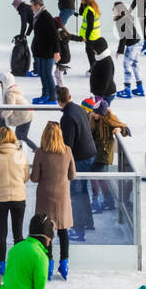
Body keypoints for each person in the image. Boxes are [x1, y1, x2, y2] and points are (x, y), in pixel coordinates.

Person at [30, 121, 76, 280]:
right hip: (62, 196)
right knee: (63, 230)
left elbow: (34, 178)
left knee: (45, 232)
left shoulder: (40, 152)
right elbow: (72, 175)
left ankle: (48, 263)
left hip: (44, 196)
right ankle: (64, 262)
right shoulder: (67, 151)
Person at [0, 126, 30, 272]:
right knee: (18, 233)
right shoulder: (20, 155)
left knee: (1, 232)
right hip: (18, 197)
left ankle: (1, 264)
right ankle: (18, 263)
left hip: (0, 198)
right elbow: (26, 177)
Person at [56, 85, 96, 241]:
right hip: (89, 153)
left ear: (59, 101)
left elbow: (68, 145)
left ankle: (79, 230)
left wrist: (63, 166)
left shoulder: (67, 117)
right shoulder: (78, 108)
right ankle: (87, 222)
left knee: (76, 193)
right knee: (83, 191)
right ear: (70, 96)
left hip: (80, 158)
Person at [83, 98, 130, 210]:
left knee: (101, 179)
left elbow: (126, 129)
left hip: (104, 155)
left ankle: (107, 201)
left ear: (102, 113)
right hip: (95, 153)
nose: (93, 114)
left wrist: (120, 130)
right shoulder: (94, 120)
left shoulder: (109, 120)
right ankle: (105, 201)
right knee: (98, 179)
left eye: (96, 112)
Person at [29, 0, 60, 105]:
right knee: (42, 73)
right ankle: (45, 95)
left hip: (48, 51)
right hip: (41, 51)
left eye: (32, 6)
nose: (31, 8)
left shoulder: (46, 16)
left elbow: (54, 35)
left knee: (47, 74)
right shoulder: (38, 16)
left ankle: (53, 97)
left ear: (38, 5)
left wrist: (57, 51)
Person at [0, 72, 36, 152]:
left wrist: (2, 116)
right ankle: (20, 150)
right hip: (24, 116)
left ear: (5, 83)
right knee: (20, 136)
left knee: (21, 137)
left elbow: (10, 108)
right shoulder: (11, 90)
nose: (1, 86)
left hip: (25, 117)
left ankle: (35, 149)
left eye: (2, 84)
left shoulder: (10, 94)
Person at [113, 1, 144, 98]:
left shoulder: (121, 21)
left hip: (133, 45)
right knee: (134, 65)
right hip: (138, 42)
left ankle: (127, 90)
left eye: (114, 9)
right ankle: (140, 88)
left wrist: (119, 51)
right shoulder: (127, 17)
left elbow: (123, 37)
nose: (113, 10)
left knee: (126, 65)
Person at [11, 0, 35, 75]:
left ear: (17, 5)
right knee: (35, 48)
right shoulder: (26, 7)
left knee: (36, 48)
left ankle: (37, 70)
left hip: (40, 28)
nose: (14, 8)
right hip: (38, 27)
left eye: (14, 6)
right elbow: (31, 24)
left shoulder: (23, 9)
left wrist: (22, 35)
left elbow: (24, 24)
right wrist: (26, 34)